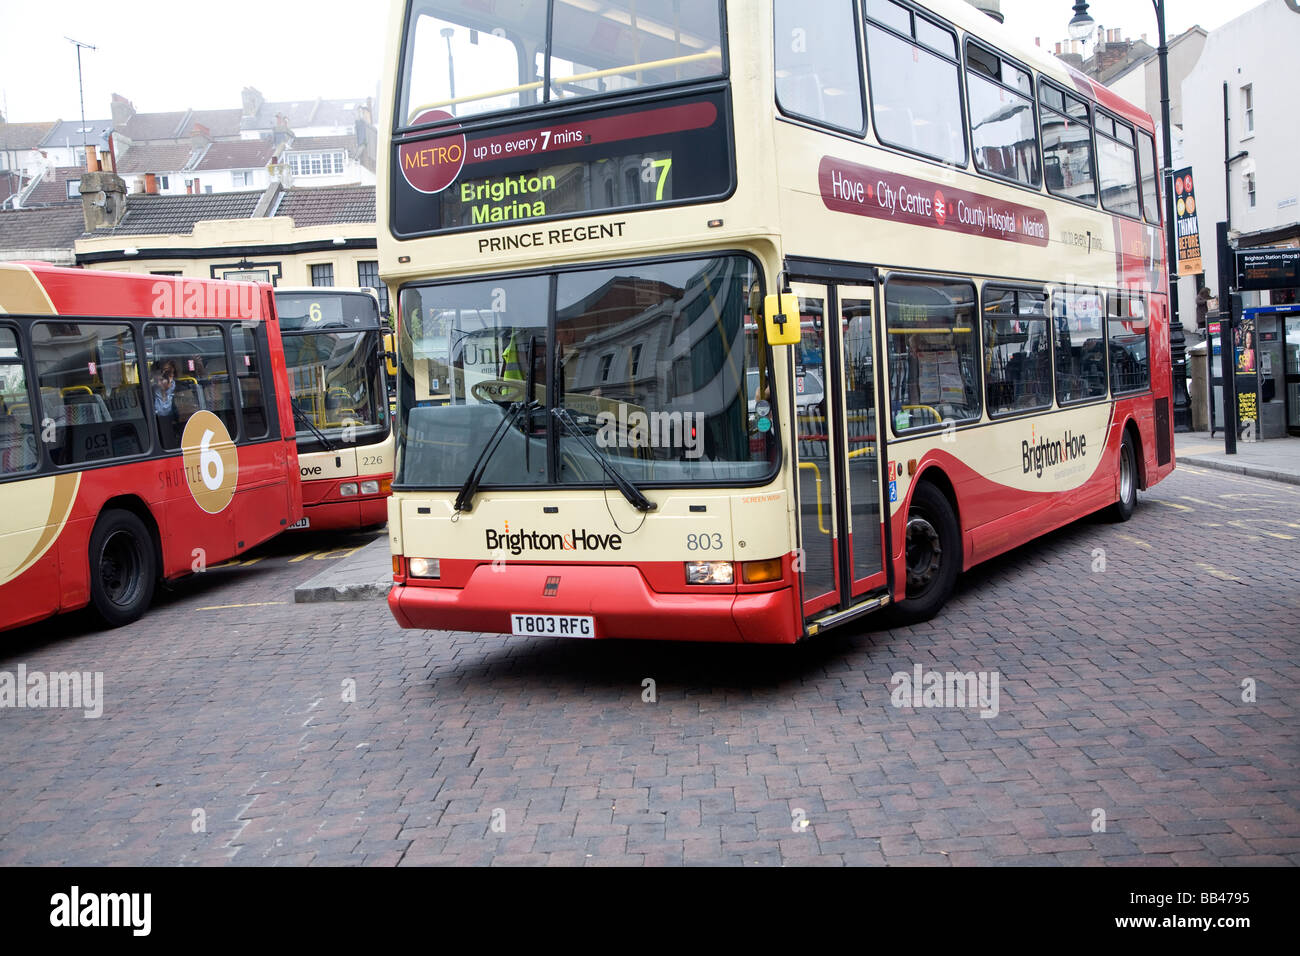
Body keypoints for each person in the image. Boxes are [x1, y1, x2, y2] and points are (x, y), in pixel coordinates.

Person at [150, 359, 180, 447]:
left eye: (161, 380)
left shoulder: (181, 389)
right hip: (158, 435)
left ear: (171, 376)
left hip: (176, 434)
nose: (158, 384)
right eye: (156, 380)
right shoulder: (151, 392)